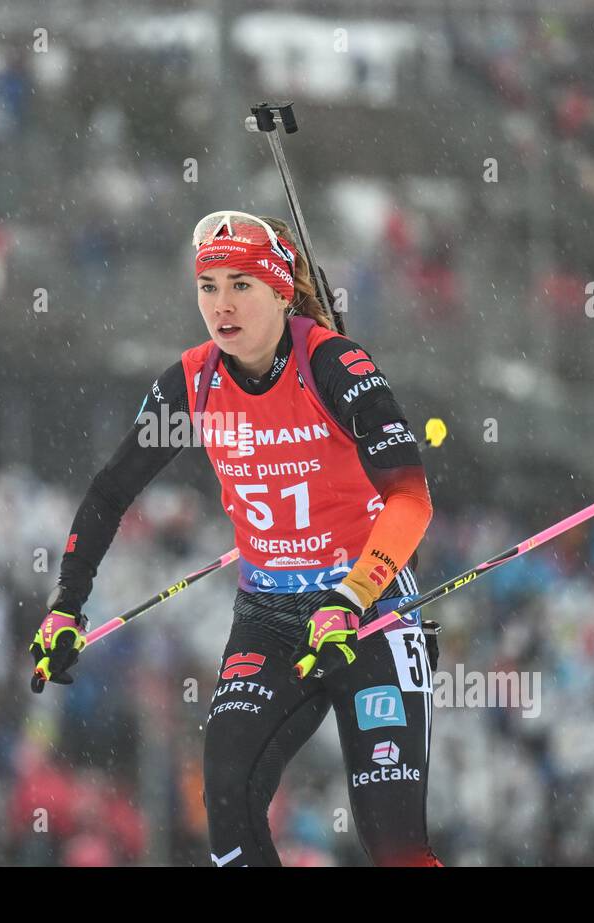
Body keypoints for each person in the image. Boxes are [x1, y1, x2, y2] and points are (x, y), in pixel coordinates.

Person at [29, 211, 442, 866]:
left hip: (371, 613)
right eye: (209, 286)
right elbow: (110, 493)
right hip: (268, 619)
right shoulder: (192, 381)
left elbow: (411, 499)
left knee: (393, 843)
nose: (222, 305)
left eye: (242, 286)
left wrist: (354, 594)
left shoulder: (334, 362)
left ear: (282, 292)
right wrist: (65, 606)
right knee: (225, 799)